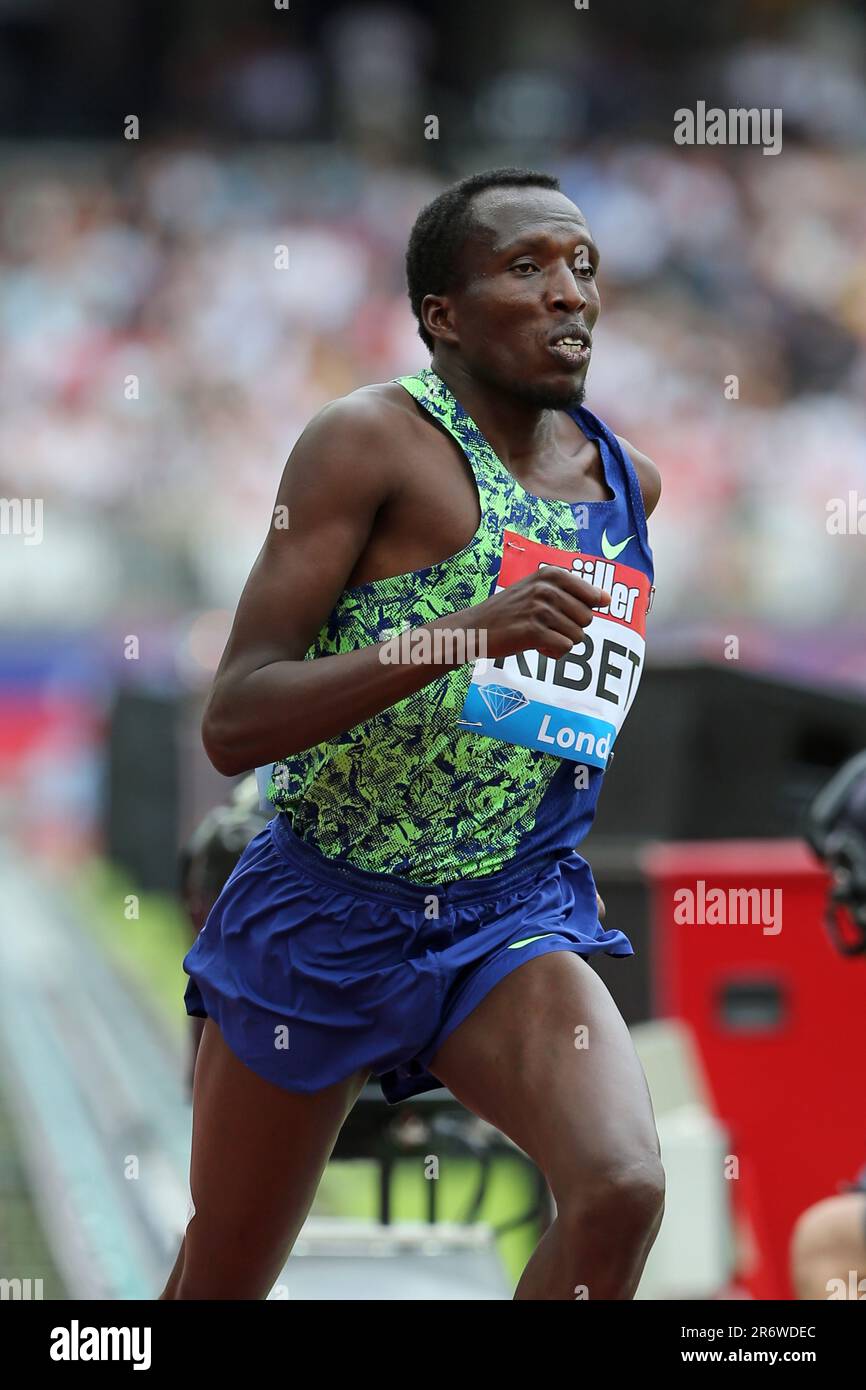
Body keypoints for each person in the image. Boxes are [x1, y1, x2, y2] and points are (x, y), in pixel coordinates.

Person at [161, 167, 664, 1301]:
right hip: (322, 913)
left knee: (621, 1187)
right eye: (525, 267)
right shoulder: (362, 443)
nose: (567, 293)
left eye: (581, 266)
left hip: (503, 912)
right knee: (222, 1278)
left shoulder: (626, 483)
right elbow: (236, 717)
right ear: (442, 313)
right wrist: (460, 636)